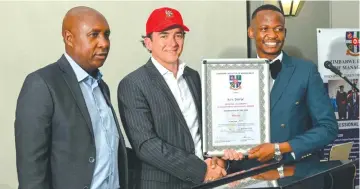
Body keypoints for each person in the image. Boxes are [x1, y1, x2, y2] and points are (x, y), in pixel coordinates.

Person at [15, 6, 128, 189]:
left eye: (106, 34)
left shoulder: (101, 86)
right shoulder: (42, 84)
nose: (104, 43)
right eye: (94, 34)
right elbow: (31, 171)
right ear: (69, 38)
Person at [117, 7, 226, 189]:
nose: (173, 42)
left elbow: (203, 130)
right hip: (164, 184)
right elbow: (146, 145)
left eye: (178, 35)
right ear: (148, 42)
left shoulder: (193, 76)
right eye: (164, 35)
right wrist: (201, 170)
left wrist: (217, 158)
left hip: (205, 181)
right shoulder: (132, 84)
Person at [224, 4, 338, 168]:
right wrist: (221, 153)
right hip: (246, 172)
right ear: (251, 32)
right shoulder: (234, 74)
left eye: (278, 29)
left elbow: (328, 128)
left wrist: (280, 148)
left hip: (293, 171)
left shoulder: (305, 71)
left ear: (285, 32)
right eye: (264, 28)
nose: (272, 35)